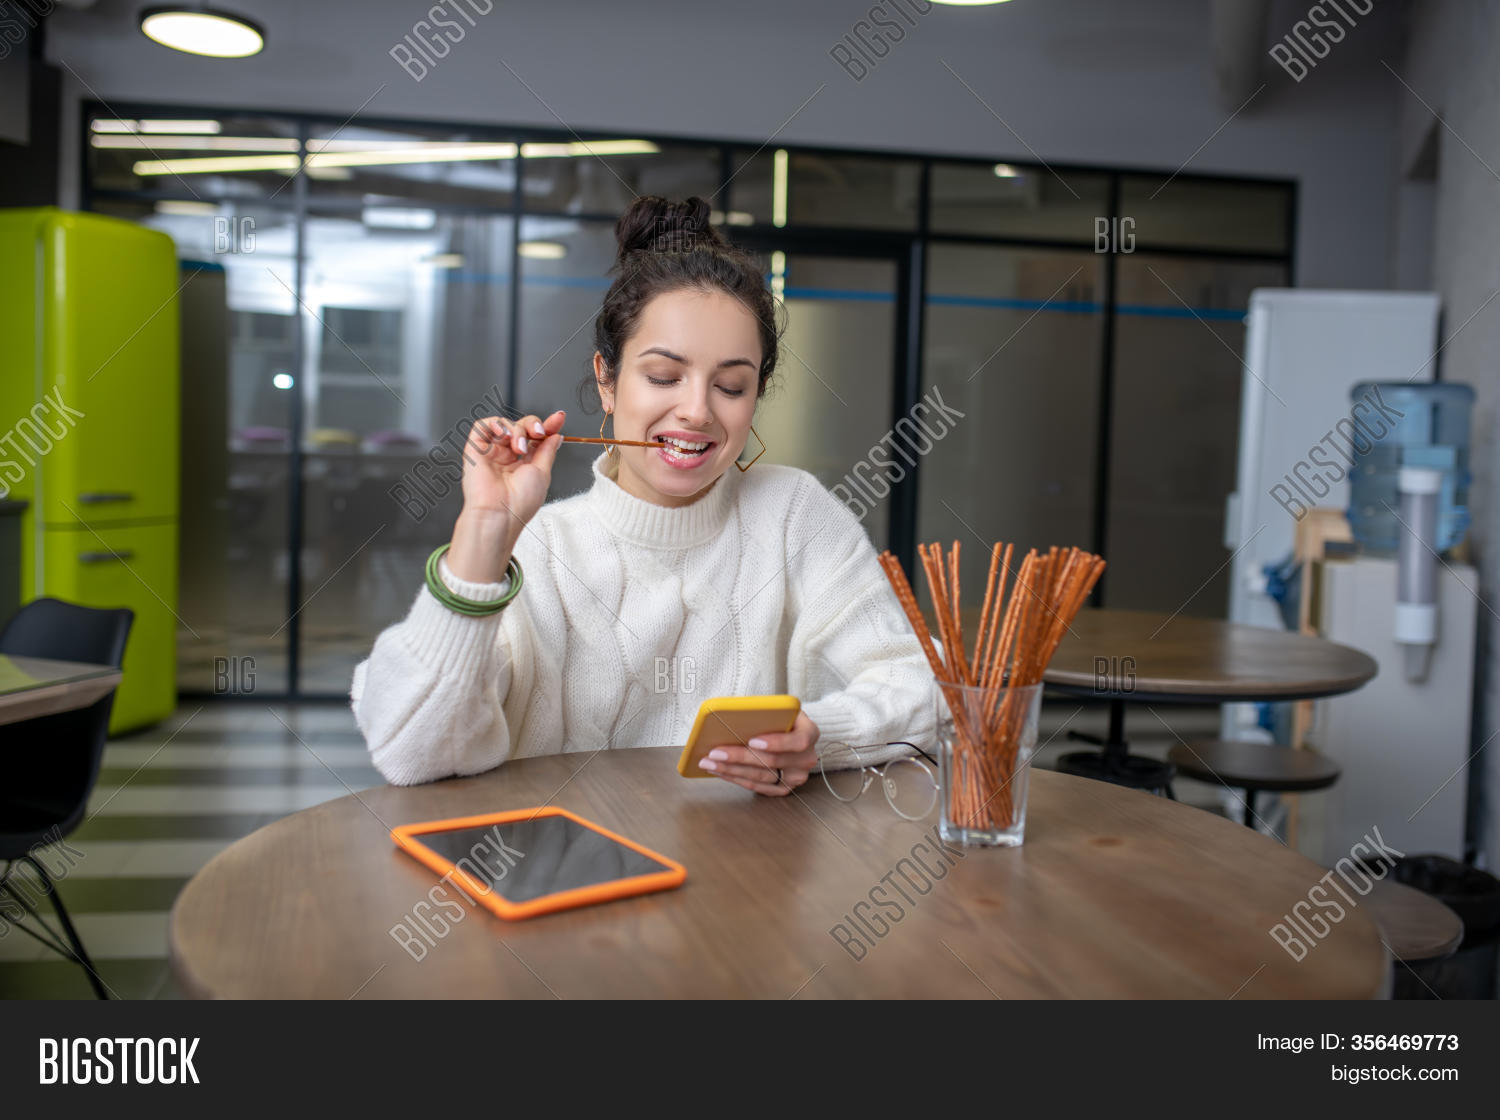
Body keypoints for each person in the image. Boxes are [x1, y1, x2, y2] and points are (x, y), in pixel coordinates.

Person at [351, 195, 938, 794]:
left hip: (753, 874)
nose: (695, 411)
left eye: (731, 386)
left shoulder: (793, 514)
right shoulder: (542, 550)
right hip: (572, 876)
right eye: (663, 377)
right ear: (606, 379)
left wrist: (822, 738)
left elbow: (927, 688)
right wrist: (484, 531)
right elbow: (409, 750)